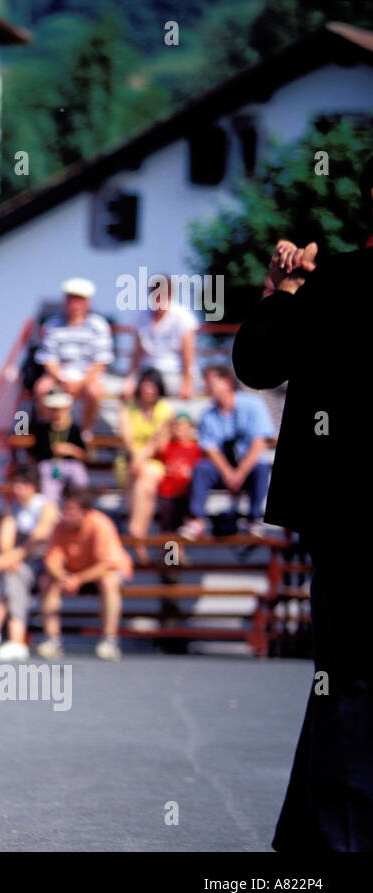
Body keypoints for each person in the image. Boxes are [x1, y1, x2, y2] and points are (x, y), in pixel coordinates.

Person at [231, 156, 373, 851]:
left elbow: (257, 363)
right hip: (351, 518)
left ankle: (321, 839)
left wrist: (284, 292)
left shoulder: (335, 281)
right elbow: (260, 364)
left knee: (345, 681)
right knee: (347, 683)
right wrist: (288, 293)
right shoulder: (338, 280)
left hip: (345, 518)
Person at [0, 464, 57, 661]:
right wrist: (8, 558)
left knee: (14, 572)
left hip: (45, 563)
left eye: (20, 485)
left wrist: (11, 559)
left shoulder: (46, 507)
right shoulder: (12, 508)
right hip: (23, 563)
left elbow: (38, 537)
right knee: (12, 574)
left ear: (32, 486)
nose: (15, 489)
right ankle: (15, 639)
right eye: (14, 484)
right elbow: (6, 538)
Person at [36, 484, 133, 662]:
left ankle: (109, 641)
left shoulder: (100, 524)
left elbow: (107, 564)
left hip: (101, 572)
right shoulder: (59, 527)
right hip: (74, 573)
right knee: (47, 581)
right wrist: (63, 577)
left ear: (85, 512)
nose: (66, 514)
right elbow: (51, 559)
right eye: (65, 508)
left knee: (109, 581)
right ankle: (52, 640)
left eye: (71, 510)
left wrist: (78, 579)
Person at [177, 364, 273, 540]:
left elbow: (259, 443)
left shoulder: (253, 405)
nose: (207, 387)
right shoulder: (207, 415)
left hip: (248, 468)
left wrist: (240, 473)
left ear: (227, 382)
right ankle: (196, 519)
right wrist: (229, 474)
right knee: (202, 469)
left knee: (261, 467)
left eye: (211, 382)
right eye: (206, 382)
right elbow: (211, 450)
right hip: (223, 471)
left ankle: (254, 519)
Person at [33, 278, 113, 439]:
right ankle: (49, 431)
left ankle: (84, 432)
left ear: (88, 303)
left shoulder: (98, 325)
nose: (75, 304)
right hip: (59, 376)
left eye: (79, 300)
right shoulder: (52, 325)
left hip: (87, 377)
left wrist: (81, 382)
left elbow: (101, 362)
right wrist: (62, 380)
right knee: (41, 388)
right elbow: (48, 359)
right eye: (71, 299)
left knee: (94, 392)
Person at [118, 368, 174, 563]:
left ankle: (137, 531)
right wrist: (137, 458)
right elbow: (127, 439)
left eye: (152, 385)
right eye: (146, 384)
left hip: (153, 463)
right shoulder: (129, 409)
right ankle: (139, 535)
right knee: (145, 479)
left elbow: (159, 442)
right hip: (133, 462)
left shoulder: (166, 411)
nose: (149, 389)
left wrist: (140, 458)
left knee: (146, 477)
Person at [123, 277, 199, 400]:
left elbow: (188, 354)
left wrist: (187, 382)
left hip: (174, 372)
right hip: (146, 373)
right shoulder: (140, 317)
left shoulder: (183, 317)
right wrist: (131, 379)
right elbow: (136, 353)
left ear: (170, 295)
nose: (158, 299)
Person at [29, 388, 88, 505]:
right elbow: (36, 453)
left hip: (71, 465)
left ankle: (79, 506)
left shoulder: (74, 428)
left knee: (80, 480)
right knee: (49, 489)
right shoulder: (42, 429)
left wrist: (71, 450)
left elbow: (84, 454)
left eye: (59, 408)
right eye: (53, 409)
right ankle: (52, 510)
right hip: (49, 466)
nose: (56, 412)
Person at [154, 413, 201, 533]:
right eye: (176, 426)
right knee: (168, 527)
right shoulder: (168, 446)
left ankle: (180, 546)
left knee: (183, 527)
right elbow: (157, 447)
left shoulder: (196, 448)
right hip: (168, 493)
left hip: (186, 493)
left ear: (190, 428)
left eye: (183, 426)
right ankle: (169, 545)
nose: (179, 430)